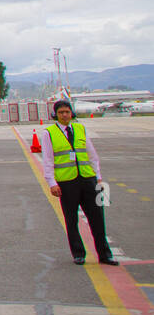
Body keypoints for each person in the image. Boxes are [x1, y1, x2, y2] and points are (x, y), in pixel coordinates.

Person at [43, 99, 116, 266]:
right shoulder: (49, 133)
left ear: (71, 113)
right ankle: (78, 253)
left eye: (67, 112)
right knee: (71, 219)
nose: (64, 115)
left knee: (97, 218)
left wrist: (97, 176)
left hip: (88, 180)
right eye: (61, 112)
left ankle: (105, 255)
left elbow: (92, 155)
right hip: (67, 182)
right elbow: (48, 160)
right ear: (56, 115)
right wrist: (51, 182)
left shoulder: (80, 128)